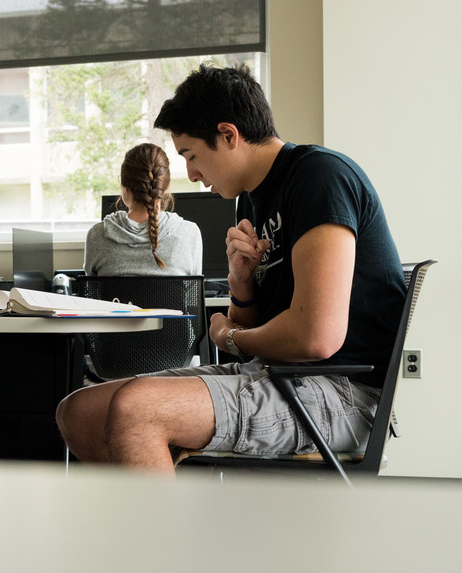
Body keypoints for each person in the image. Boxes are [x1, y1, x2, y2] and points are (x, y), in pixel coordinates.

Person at [56, 64, 407, 475]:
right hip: (276, 375)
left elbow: (317, 337)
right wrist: (241, 285)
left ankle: (162, 538)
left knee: (137, 409)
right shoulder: (251, 201)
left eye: (191, 155)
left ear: (228, 135)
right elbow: (254, 325)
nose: (190, 174)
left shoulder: (319, 177)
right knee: (80, 411)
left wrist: (232, 336)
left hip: (343, 392)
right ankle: (177, 524)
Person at [84, 142, 202, 277]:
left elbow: (92, 294)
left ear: (124, 187)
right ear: (165, 187)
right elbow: (192, 294)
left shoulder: (97, 235)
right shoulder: (189, 233)